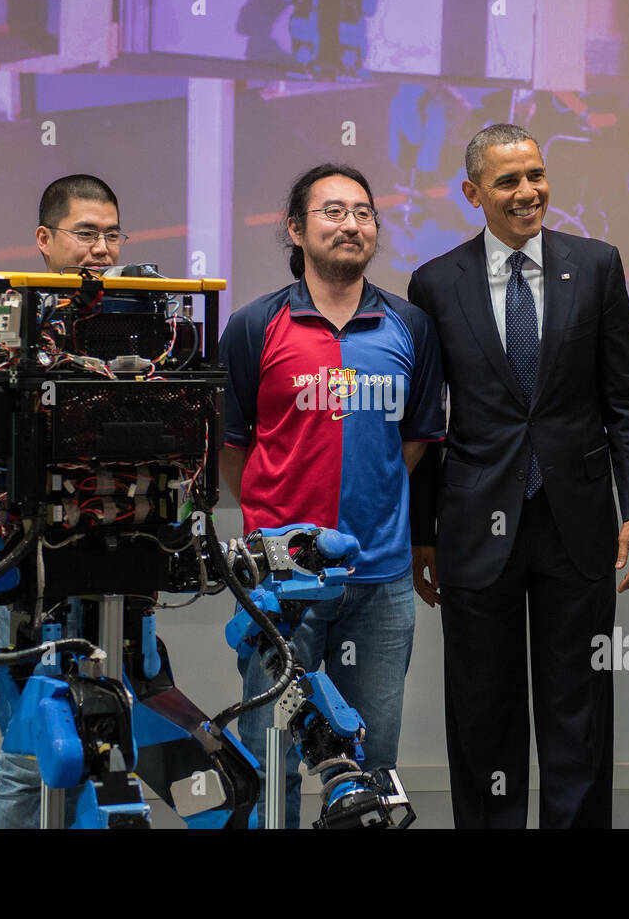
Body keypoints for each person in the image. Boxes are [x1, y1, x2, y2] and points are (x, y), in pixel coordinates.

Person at [408, 124, 629, 829]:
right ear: (472, 193)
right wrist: (421, 530)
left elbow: (624, 399)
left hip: (576, 522)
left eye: (535, 175)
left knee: (577, 708)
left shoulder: (597, 264)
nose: (528, 192)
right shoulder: (434, 282)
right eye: (507, 181)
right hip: (472, 525)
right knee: (482, 709)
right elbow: (427, 422)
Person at [219, 163, 445, 828]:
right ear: (296, 229)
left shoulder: (411, 327)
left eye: (364, 213)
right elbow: (236, 450)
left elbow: (412, 442)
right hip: (282, 588)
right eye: (333, 211)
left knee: (372, 764)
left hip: (383, 581)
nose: (352, 224)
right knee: (272, 756)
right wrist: (279, 527)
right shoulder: (254, 326)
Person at [0, 174, 128, 829]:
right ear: (45, 239)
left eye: (112, 234)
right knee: (31, 748)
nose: (102, 247)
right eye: (86, 233)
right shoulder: (14, 314)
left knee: (102, 737)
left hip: (119, 552)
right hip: (31, 564)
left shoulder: (137, 314)